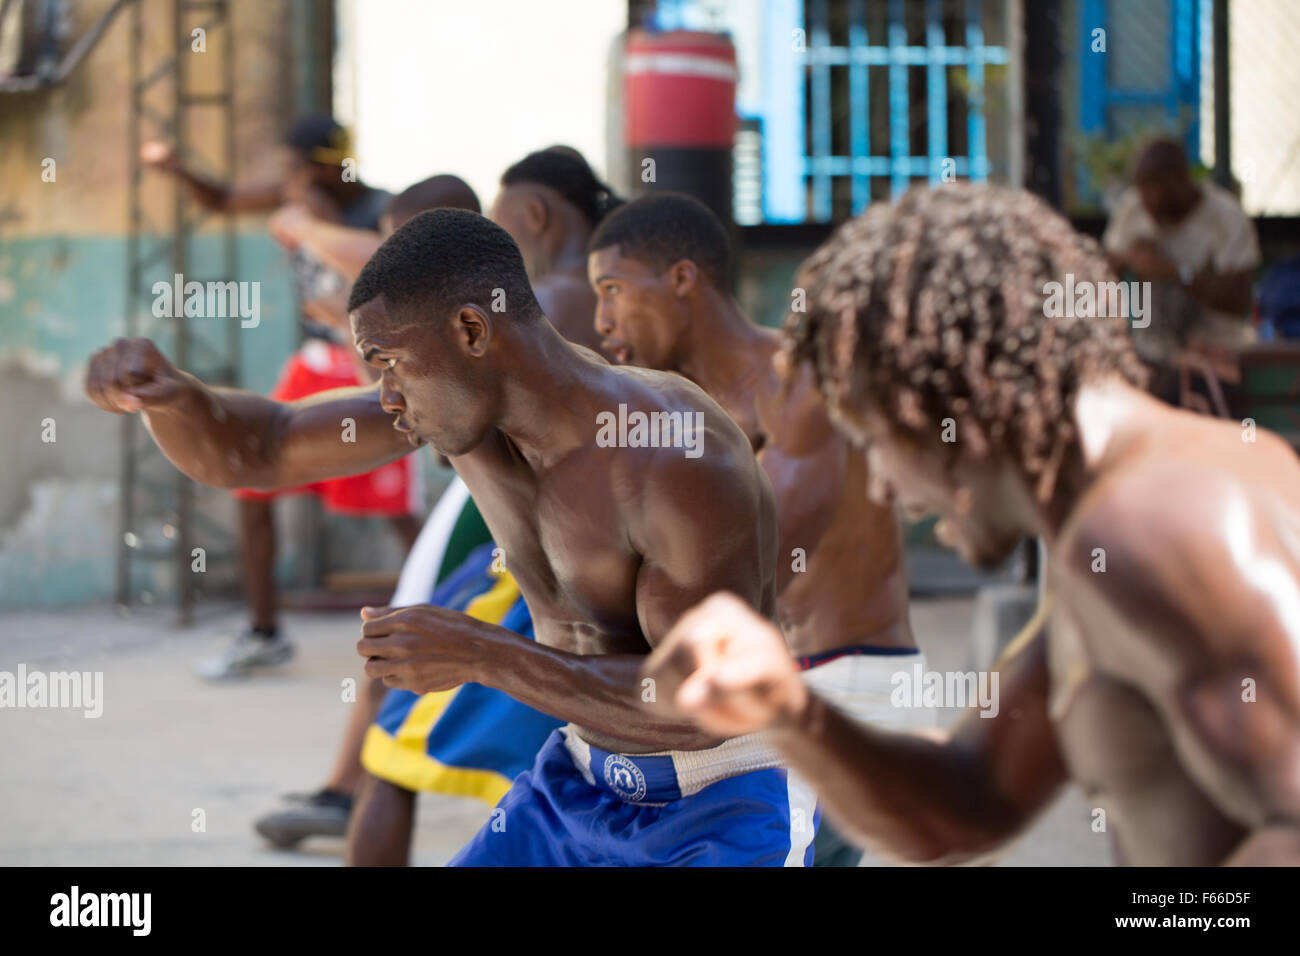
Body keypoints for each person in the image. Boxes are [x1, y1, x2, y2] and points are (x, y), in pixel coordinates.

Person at [84, 209, 818, 866]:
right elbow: (263, 447)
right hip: (577, 784)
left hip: (723, 803)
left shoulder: (668, 455)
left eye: (392, 363)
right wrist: (168, 398)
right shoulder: (457, 414)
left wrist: (479, 652)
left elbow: (705, 705)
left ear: (471, 331)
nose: (388, 395)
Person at [645, 182, 1300, 867]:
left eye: (873, 440)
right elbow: (973, 798)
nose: (884, 485)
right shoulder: (1126, 523)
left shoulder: (1144, 527)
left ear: (951, 404)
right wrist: (788, 712)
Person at [587, 192, 929, 866]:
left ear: (683, 279)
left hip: (845, 683)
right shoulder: (668, 409)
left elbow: (761, 567)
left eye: (613, 291)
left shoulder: (795, 384)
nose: (602, 320)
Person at [251, 176, 561, 850]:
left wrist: (303, 226)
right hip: (498, 508)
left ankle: (351, 786)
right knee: (405, 659)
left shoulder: (535, 319)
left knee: (399, 670)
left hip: (497, 512)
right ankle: (352, 782)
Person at [142, 114, 420, 678]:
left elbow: (396, 281)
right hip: (315, 363)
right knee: (252, 481)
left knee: (396, 511)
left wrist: (321, 238)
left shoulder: (381, 211)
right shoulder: (295, 196)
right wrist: (177, 168)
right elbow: (221, 199)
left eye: (297, 166)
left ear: (326, 164)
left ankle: (450, 604)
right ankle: (263, 632)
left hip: (369, 366)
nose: (287, 177)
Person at [1103, 136, 1260, 401]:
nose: (1146, 200)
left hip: (1214, 361)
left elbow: (1239, 301)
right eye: (1141, 190)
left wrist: (1176, 272)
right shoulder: (1133, 208)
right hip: (1150, 358)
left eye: (1154, 189)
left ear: (1180, 183)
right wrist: (1125, 260)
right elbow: (1100, 280)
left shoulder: (1224, 216)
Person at [487, 147, 621, 353]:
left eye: (500, 228)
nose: (495, 248)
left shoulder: (529, 305)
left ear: (535, 215)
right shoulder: (633, 292)